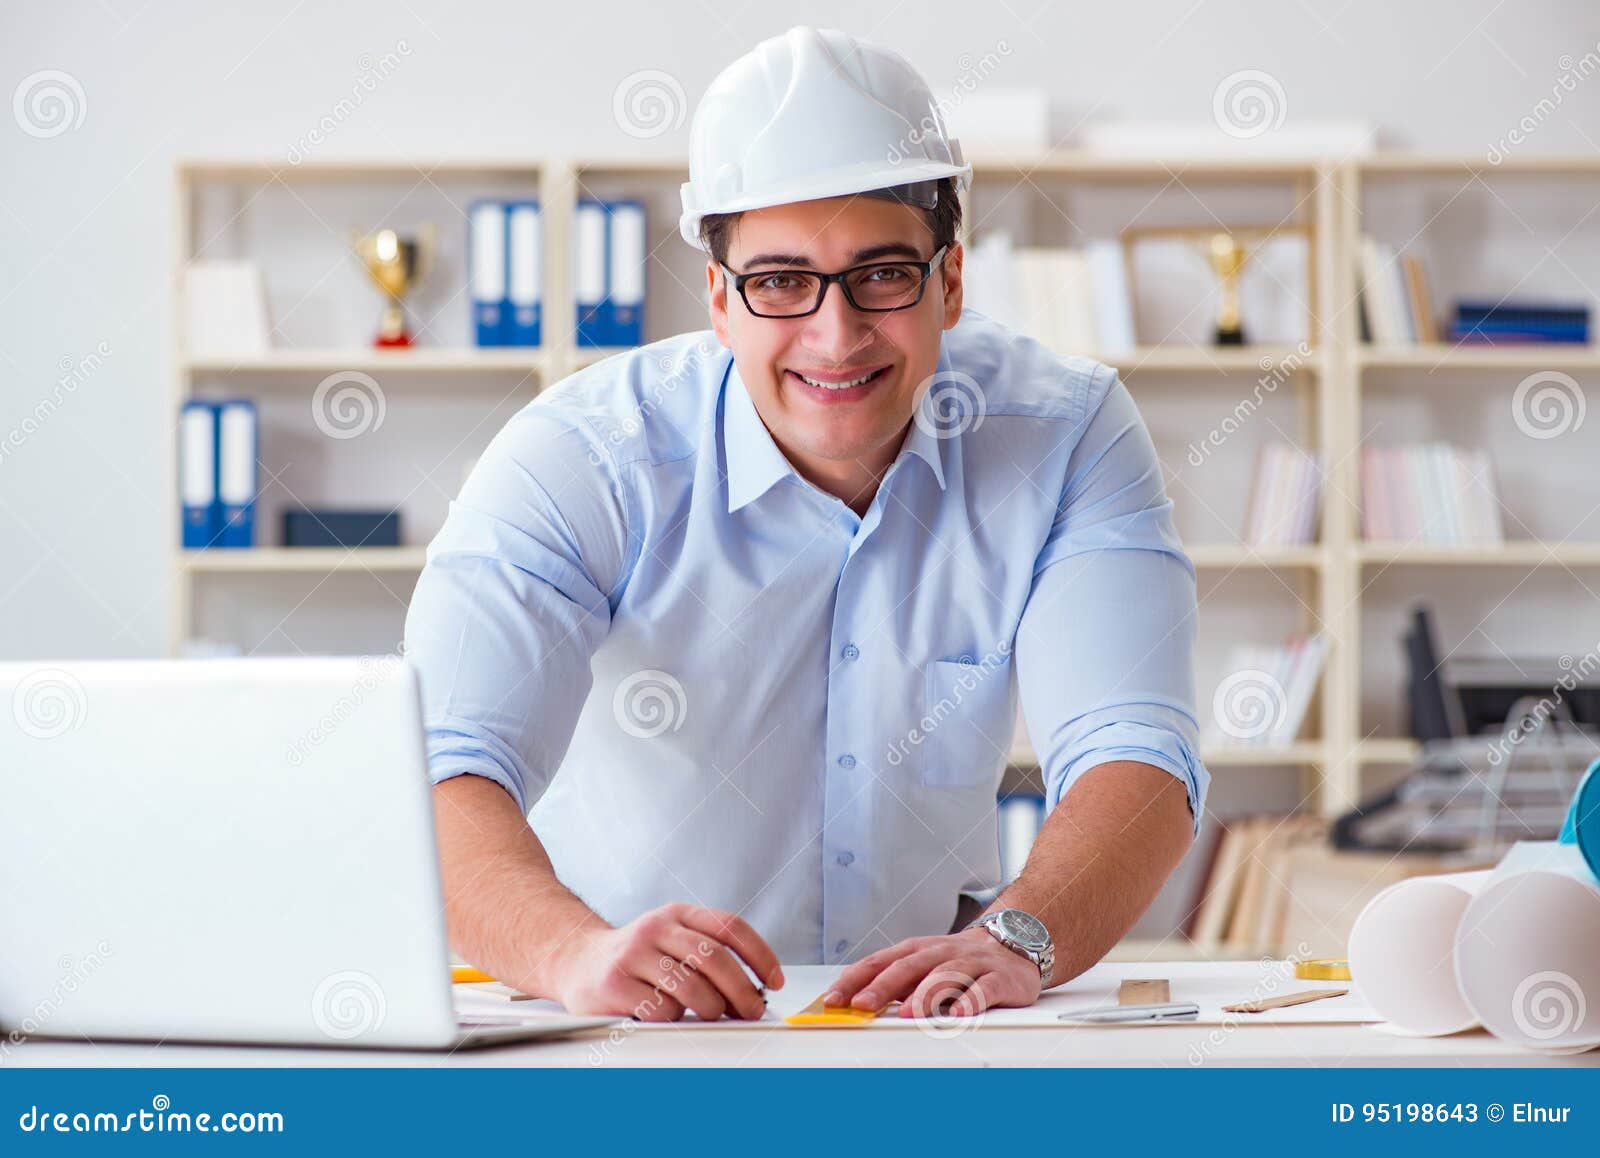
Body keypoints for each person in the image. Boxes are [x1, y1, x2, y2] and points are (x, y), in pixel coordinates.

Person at [404, 25, 1207, 1022]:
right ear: (719, 300)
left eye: (882, 274)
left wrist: (1020, 938)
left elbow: (1136, 754)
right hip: (623, 1029)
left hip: (921, 1037)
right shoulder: (584, 458)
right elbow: (436, 771)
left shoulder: (1063, 435)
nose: (836, 335)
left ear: (950, 280)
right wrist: (572, 954)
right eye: (780, 281)